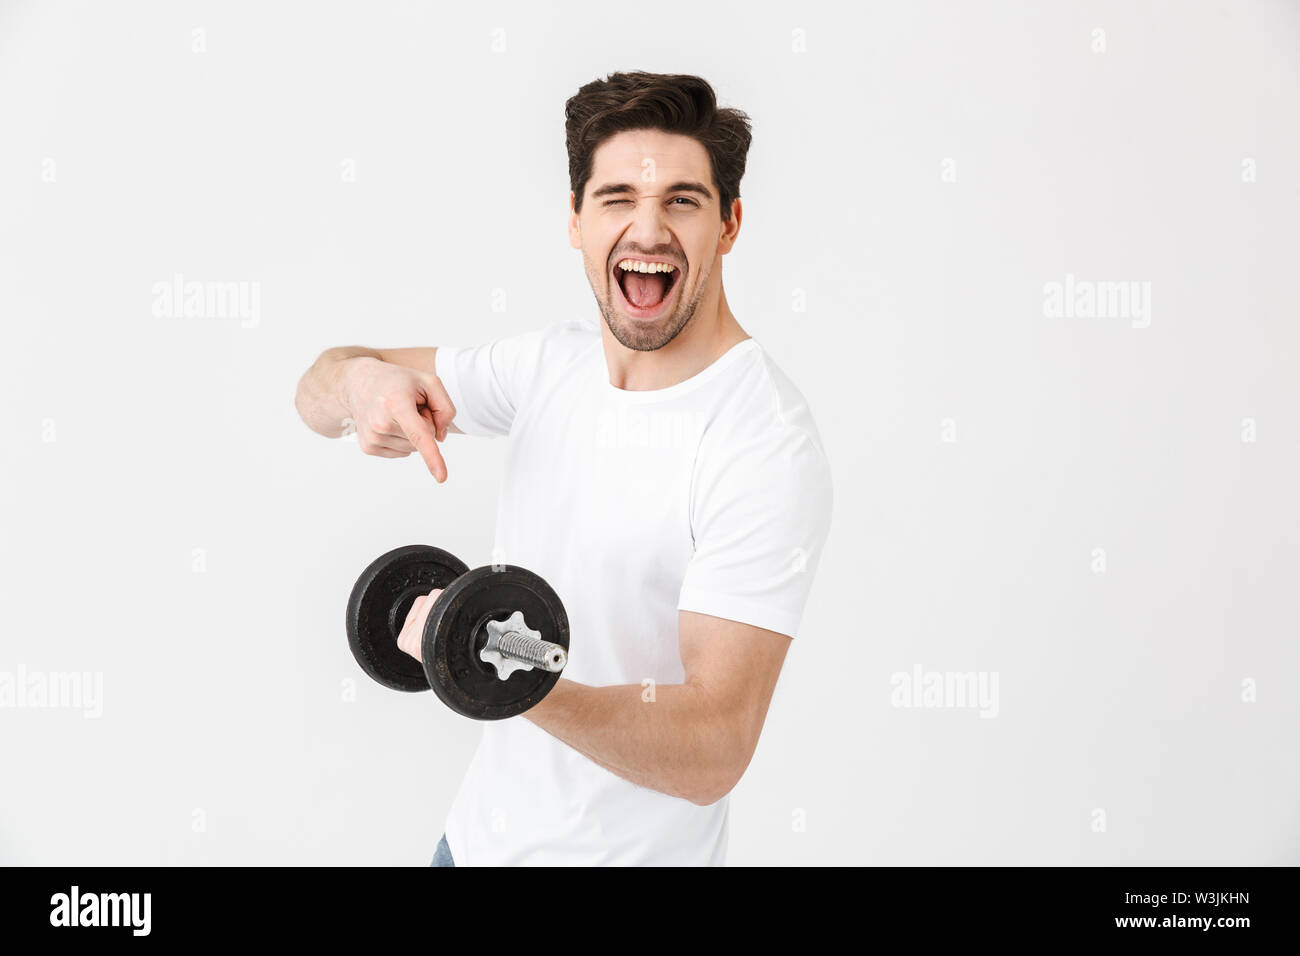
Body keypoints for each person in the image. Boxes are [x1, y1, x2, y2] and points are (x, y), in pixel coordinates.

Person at [295, 71, 833, 866]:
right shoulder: (548, 368)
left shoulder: (762, 443)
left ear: (730, 224)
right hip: (472, 847)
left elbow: (716, 747)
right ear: (576, 222)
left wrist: (497, 666)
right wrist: (360, 382)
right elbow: (319, 386)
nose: (647, 231)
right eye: (617, 198)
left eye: (682, 200)